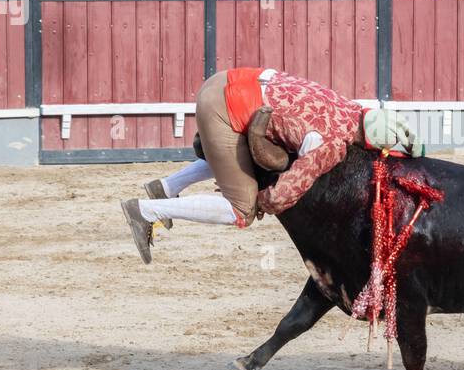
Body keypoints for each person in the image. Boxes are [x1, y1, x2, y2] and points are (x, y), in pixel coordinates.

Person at [122, 69, 424, 260]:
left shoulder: (345, 104)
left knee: (244, 159)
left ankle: (166, 187)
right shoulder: (333, 145)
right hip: (225, 111)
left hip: (225, 80)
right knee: (241, 210)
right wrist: (261, 201)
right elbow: (284, 194)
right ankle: (146, 211)